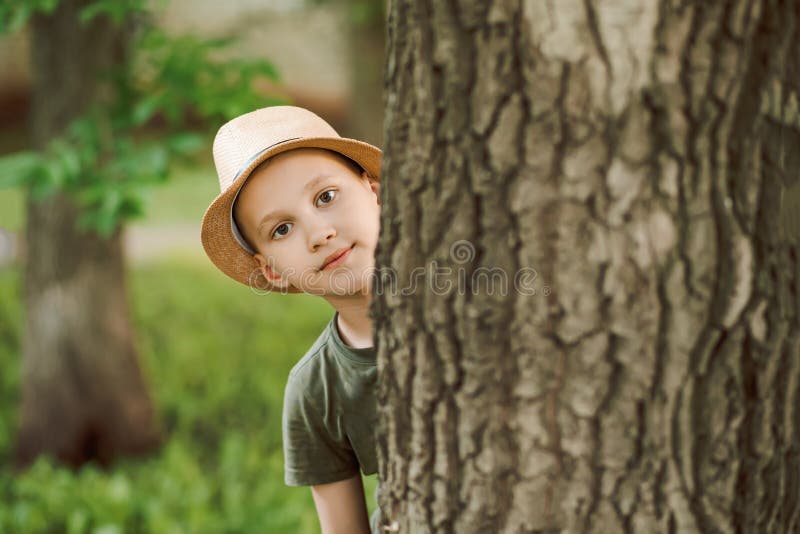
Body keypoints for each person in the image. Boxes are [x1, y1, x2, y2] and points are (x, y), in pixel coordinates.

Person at [200, 106, 383, 533]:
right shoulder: (315, 389)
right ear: (272, 270)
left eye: (326, 197)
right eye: (282, 229)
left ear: (374, 192)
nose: (319, 233)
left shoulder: (473, 308)